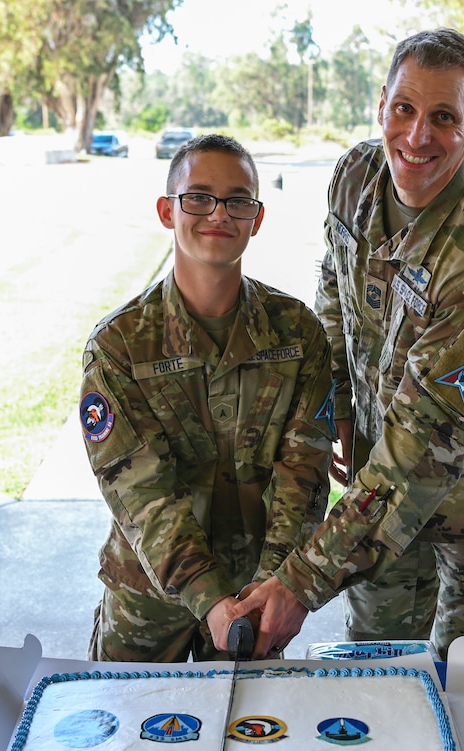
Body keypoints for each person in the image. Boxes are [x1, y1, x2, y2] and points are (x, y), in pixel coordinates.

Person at [231, 29, 464, 661]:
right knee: (377, 668)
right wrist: (339, 406)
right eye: (404, 109)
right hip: (380, 488)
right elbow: (333, 291)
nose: (417, 137)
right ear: (382, 103)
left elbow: (424, 447)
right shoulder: (355, 178)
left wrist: (299, 582)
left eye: (443, 118)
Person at [80, 134, 335, 662]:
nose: (218, 213)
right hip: (148, 605)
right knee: (130, 741)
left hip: (255, 607)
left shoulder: (296, 334)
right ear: (166, 210)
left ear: (257, 218)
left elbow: (302, 479)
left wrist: (272, 590)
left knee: (256, 739)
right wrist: (209, 599)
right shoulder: (121, 345)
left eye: (238, 200)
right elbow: (144, 496)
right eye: (198, 197)